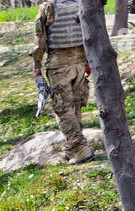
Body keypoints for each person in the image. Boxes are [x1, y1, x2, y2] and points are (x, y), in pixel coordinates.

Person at [33, 0, 94, 164]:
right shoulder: (80, 4)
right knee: (75, 105)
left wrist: (36, 67)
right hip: (80, 63)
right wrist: (88, 62)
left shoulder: (48, 7)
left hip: (59, 65)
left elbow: (40, 41)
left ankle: (79, 149)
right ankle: (73, 147)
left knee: (63, 108)